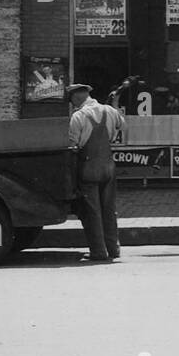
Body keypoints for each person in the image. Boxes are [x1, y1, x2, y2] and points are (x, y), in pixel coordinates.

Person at [66, 82, 124, 262]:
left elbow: (73, 144)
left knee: (92, 211)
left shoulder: (79, 116)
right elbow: (122, 126)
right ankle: (113, 248)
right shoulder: (110, 111)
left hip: (89, 167)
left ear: (76, 97)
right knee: (109, 208)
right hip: (108, 166)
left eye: (71, 100)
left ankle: (98, 251)